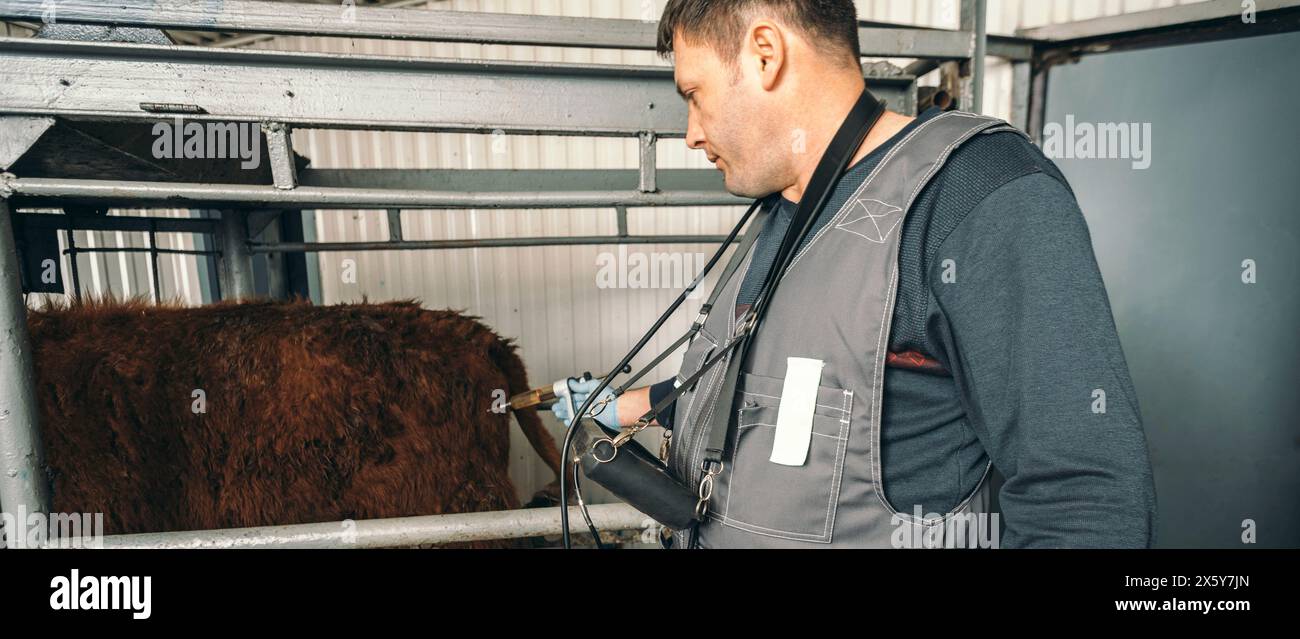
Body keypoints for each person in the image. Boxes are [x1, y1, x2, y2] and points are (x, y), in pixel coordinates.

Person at [554, 0, 1156, 549]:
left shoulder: (978, 194)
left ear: (766, 53)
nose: (690, 134)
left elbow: (1085, 500)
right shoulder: (781, 212)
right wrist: (632, 406)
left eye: (694, 92)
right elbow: (778, 392)